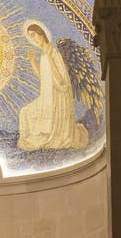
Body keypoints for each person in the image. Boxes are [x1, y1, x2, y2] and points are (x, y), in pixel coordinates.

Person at [18, 19, 89, 151]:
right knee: (24, 112)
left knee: (26, 112)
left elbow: (61, 80)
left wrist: (50, 58)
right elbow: (44, 78)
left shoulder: (53, 52)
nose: (33, 39)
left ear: (42, 34)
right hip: (47, 94)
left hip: (56, 96)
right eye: (31, 36)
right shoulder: (44, 54)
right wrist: (33, 62)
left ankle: (54, 134)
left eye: (34, 35)